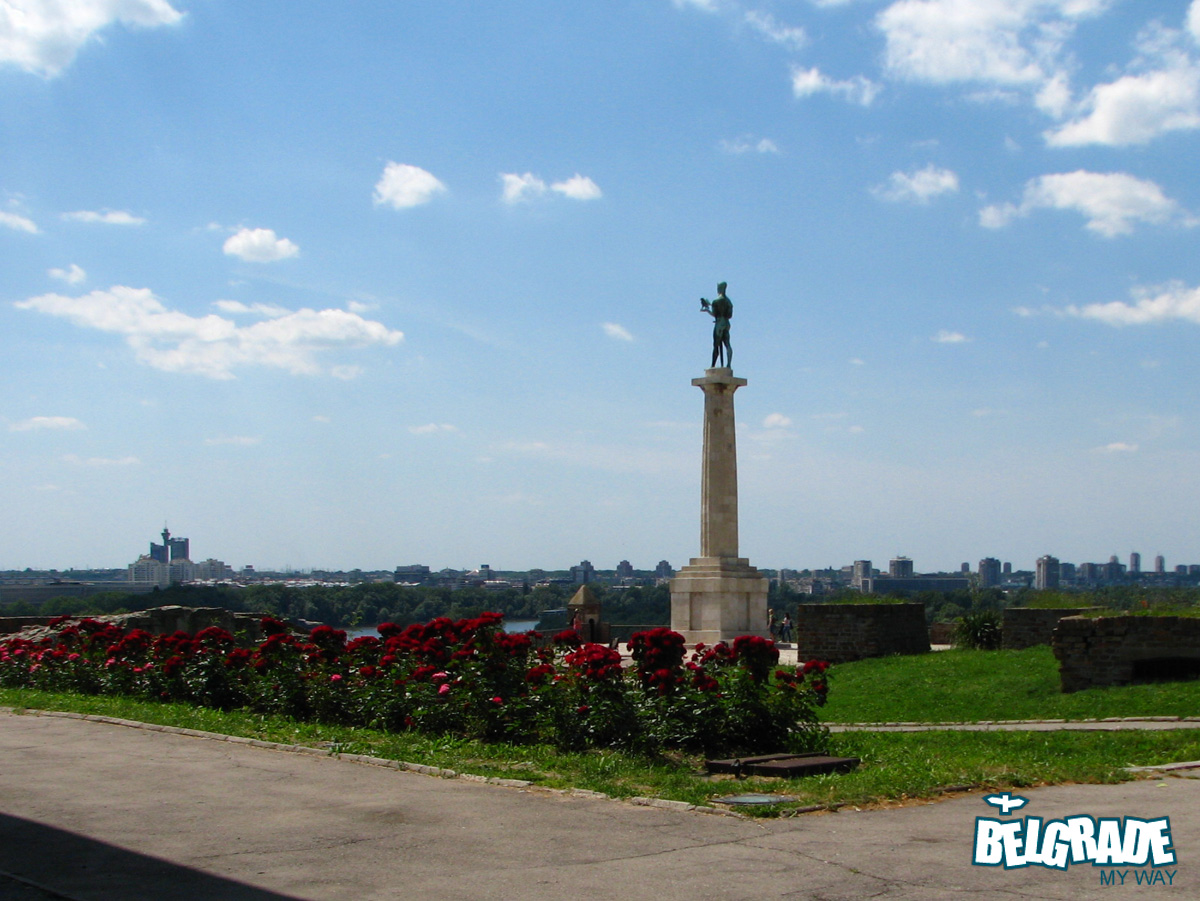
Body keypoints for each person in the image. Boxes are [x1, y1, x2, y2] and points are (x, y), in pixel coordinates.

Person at [700, 282, 733, 368]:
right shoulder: (729, 302)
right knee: (727, 344)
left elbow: (714, 314)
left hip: (719, 323)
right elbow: (730, 315)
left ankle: (713, 365)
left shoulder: (716, 301)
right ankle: (728, 364)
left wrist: (707, 310)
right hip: (726, 323)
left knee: (716, 345)